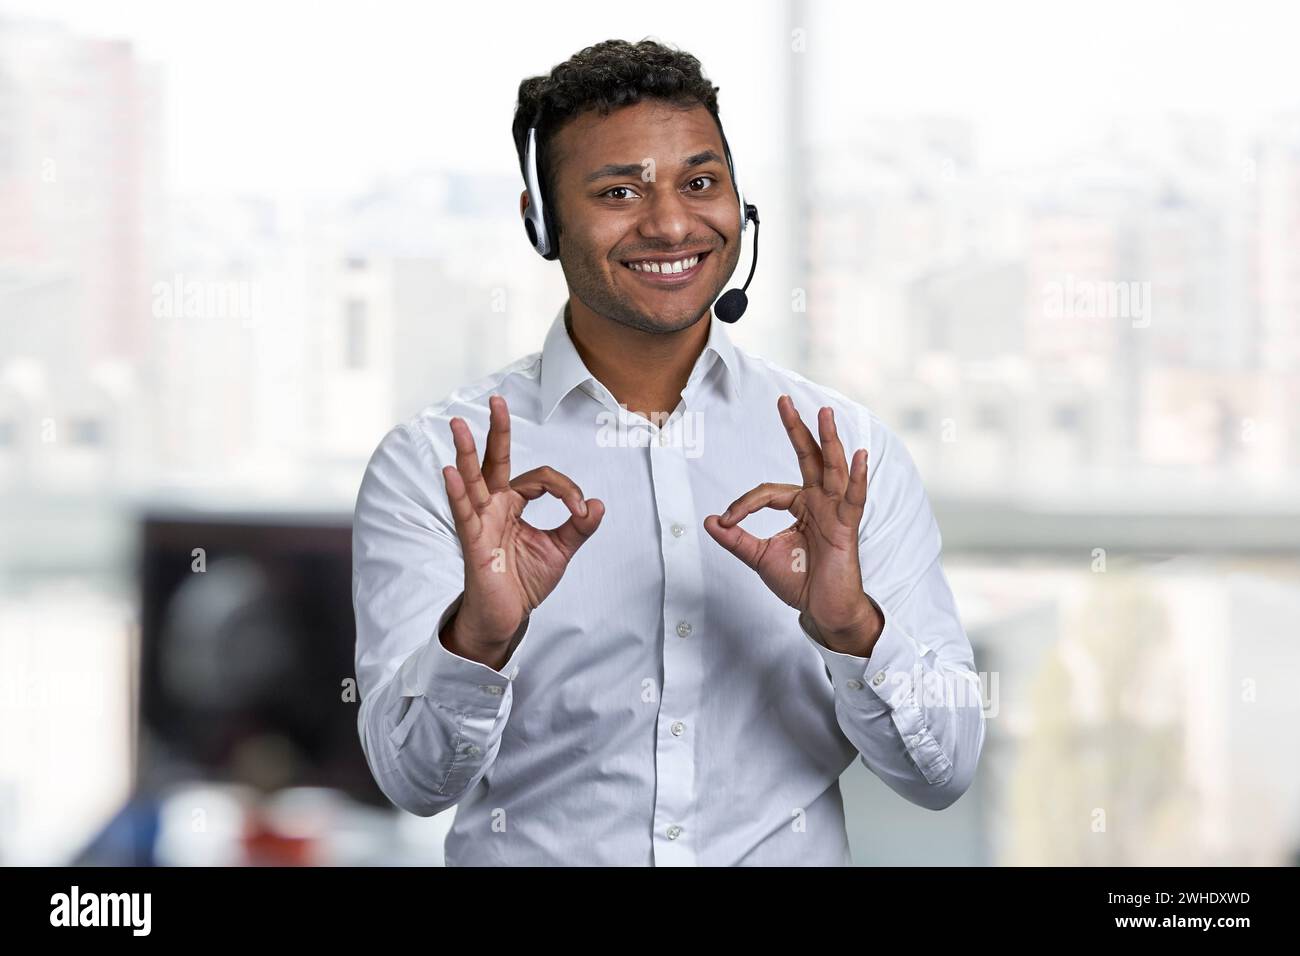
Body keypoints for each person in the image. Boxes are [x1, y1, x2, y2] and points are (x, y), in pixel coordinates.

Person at [352, 38, 985, 866]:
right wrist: (479, 637)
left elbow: (944, 771)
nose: (672, 223)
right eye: (619, 191)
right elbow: (413, 782)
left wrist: (851, 628)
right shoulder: (437, 463)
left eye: (699, 182)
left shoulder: (846, 454)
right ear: (540, 223)